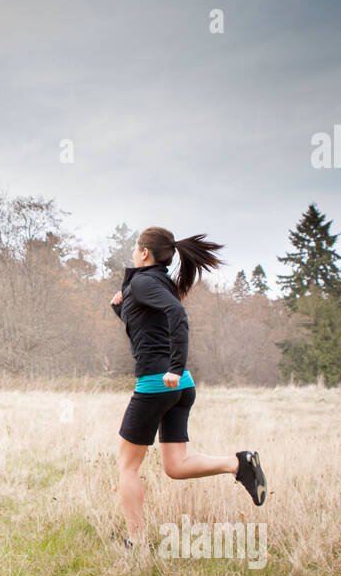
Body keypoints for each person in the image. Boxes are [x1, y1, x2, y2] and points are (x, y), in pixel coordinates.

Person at [109, 226, 267, 552]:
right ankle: (239, 463)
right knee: (175, 467)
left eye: (135, 248)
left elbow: (177, 316)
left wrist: (173, 367)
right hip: (181, 387)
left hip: (158, 384)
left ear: (143, 253)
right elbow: (145, 329)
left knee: (127, 466)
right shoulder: (154, 283)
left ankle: (135, 541)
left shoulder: (143, 282)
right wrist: (119, 307)